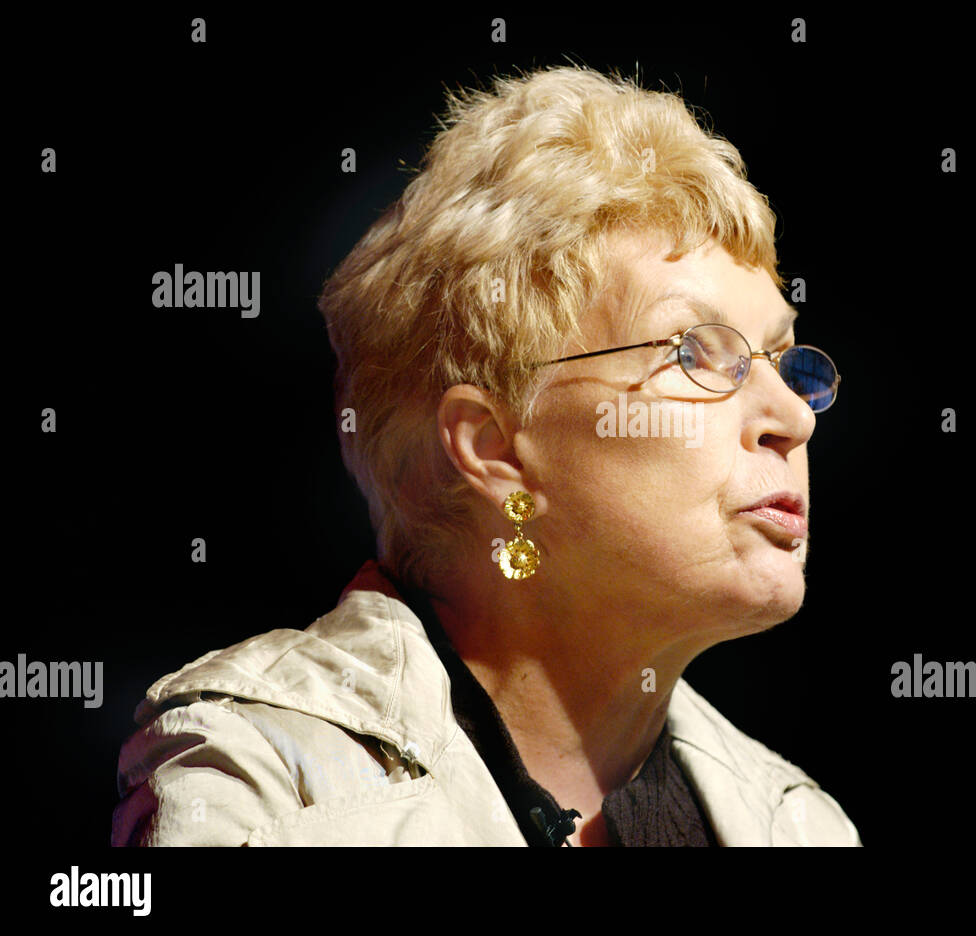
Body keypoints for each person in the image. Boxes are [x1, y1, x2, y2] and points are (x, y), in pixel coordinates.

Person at [112, 64, 857, 846]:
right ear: (491, 447)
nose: (791, 418)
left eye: (783, 359)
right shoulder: (259, 784)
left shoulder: (802, 827)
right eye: (694, 353)